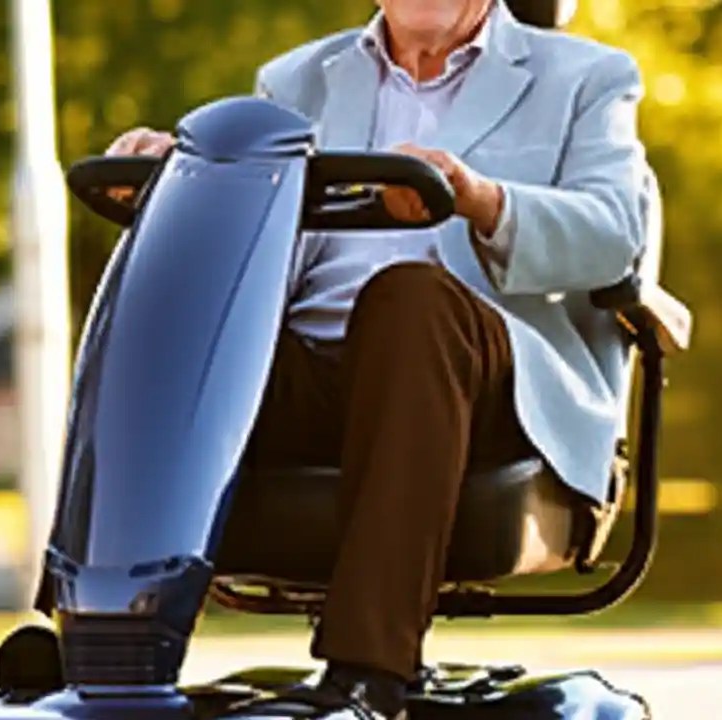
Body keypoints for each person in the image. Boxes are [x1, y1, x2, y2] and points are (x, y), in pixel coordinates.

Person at [105, 1, 650, 718]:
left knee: (407, 300)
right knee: (168, 318)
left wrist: (482, 199)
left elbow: (616, 232)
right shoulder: (295, 80)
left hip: (485, 382)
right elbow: (249, 250)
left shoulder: (588, 76)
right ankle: (106, 650)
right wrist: (175, 192)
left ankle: (369, 674)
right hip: (315, 370)